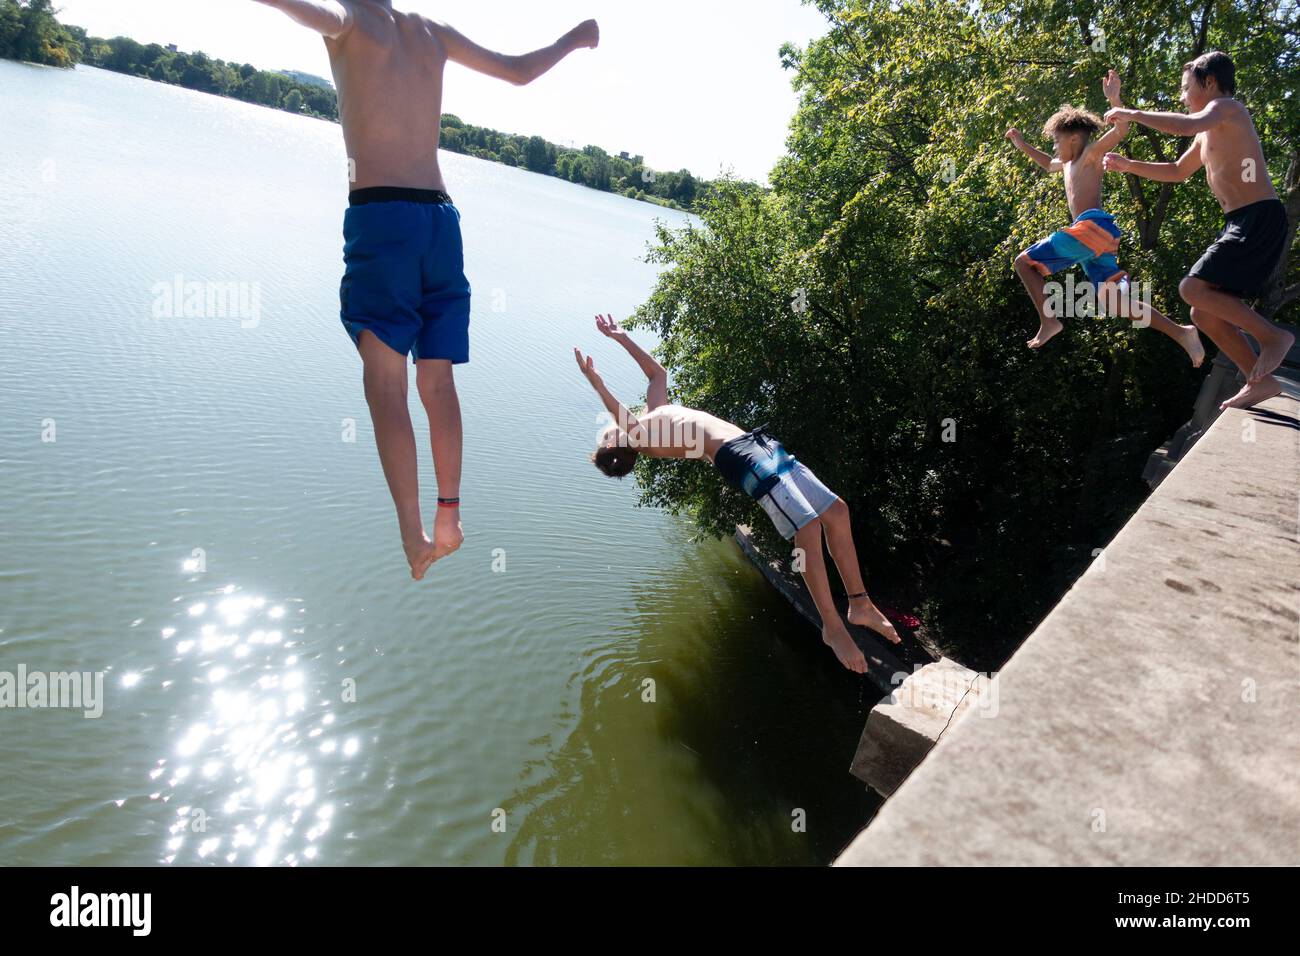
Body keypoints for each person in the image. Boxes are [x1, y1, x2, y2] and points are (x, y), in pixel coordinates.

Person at [252, 0, 599, 577]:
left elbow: (300, 9)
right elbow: (517, 70)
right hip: (441, 220)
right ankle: (450, 515)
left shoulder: (350, 19)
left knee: (385, 390)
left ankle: (415, 536)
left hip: (383, 219)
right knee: (437, 383)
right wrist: (575, 37)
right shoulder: (432, 33)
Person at [574, 315, 901, 675]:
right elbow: (621, 415)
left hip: (756, 443)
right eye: (605, 434)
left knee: (837, 512)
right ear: (614, 441)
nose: (607, 428)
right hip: (738, 457)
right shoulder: (640, 439)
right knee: (806, 527)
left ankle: (860, 602)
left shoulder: (653, 416)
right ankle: (832, 626)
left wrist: (622, 338)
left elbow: (657, 374)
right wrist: (595, 381)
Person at [1104, 51, 1294, 410]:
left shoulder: (1228, 108)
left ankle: (1272, 338)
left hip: (1259, 217)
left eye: (1185, 88)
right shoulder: (1208, 131)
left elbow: (1184, 124)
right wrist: (1129, 165)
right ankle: (1260, 380)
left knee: (1191, 288)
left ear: (1208, 83)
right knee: (1202, 312)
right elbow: (1177, 170)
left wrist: (1130, 112)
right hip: (1241, 221)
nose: (1182, 97)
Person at [1007, 70, 1203, 364]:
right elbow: (1048, 163)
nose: (1054, 148)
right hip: (1097, 241)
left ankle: (1049, 321)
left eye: (1057, 141)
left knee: (1023, 262)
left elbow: (1120, 132)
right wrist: (1022, 146)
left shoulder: (1089, 154)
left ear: (1074, 139)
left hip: (1092, 228)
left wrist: (1115, 100)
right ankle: (1182, 333)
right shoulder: (1067, 163)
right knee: (1115, 302)